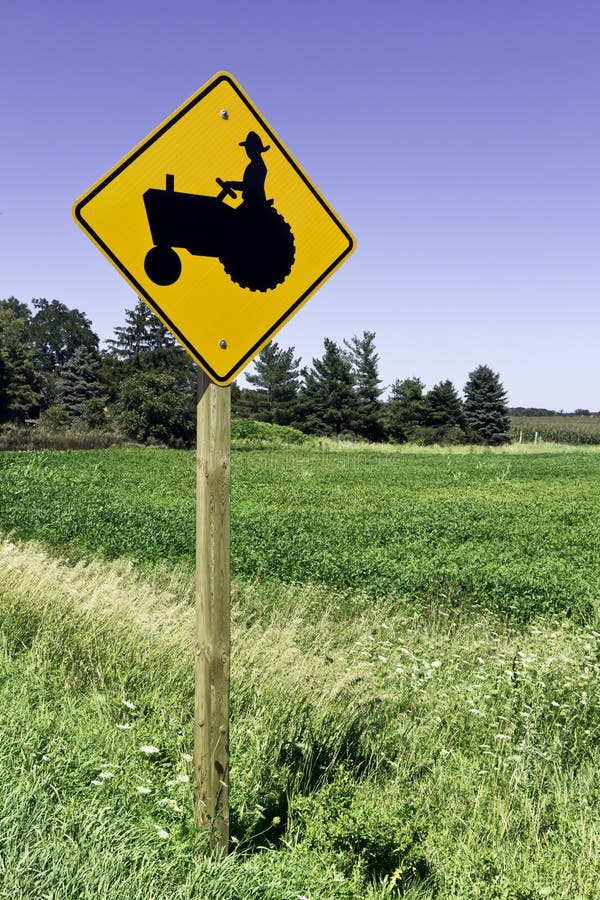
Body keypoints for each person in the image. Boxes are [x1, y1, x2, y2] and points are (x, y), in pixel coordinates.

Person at [222, 131, 270, 206]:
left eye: (249, 148)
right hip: (251, 202)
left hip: (254, 204)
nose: (247, 151)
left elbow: (248, 186)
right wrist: (230, 184)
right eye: (247, 148)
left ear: (255, 149)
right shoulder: (254, 165)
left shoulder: (258, 166)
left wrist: (230, 184)